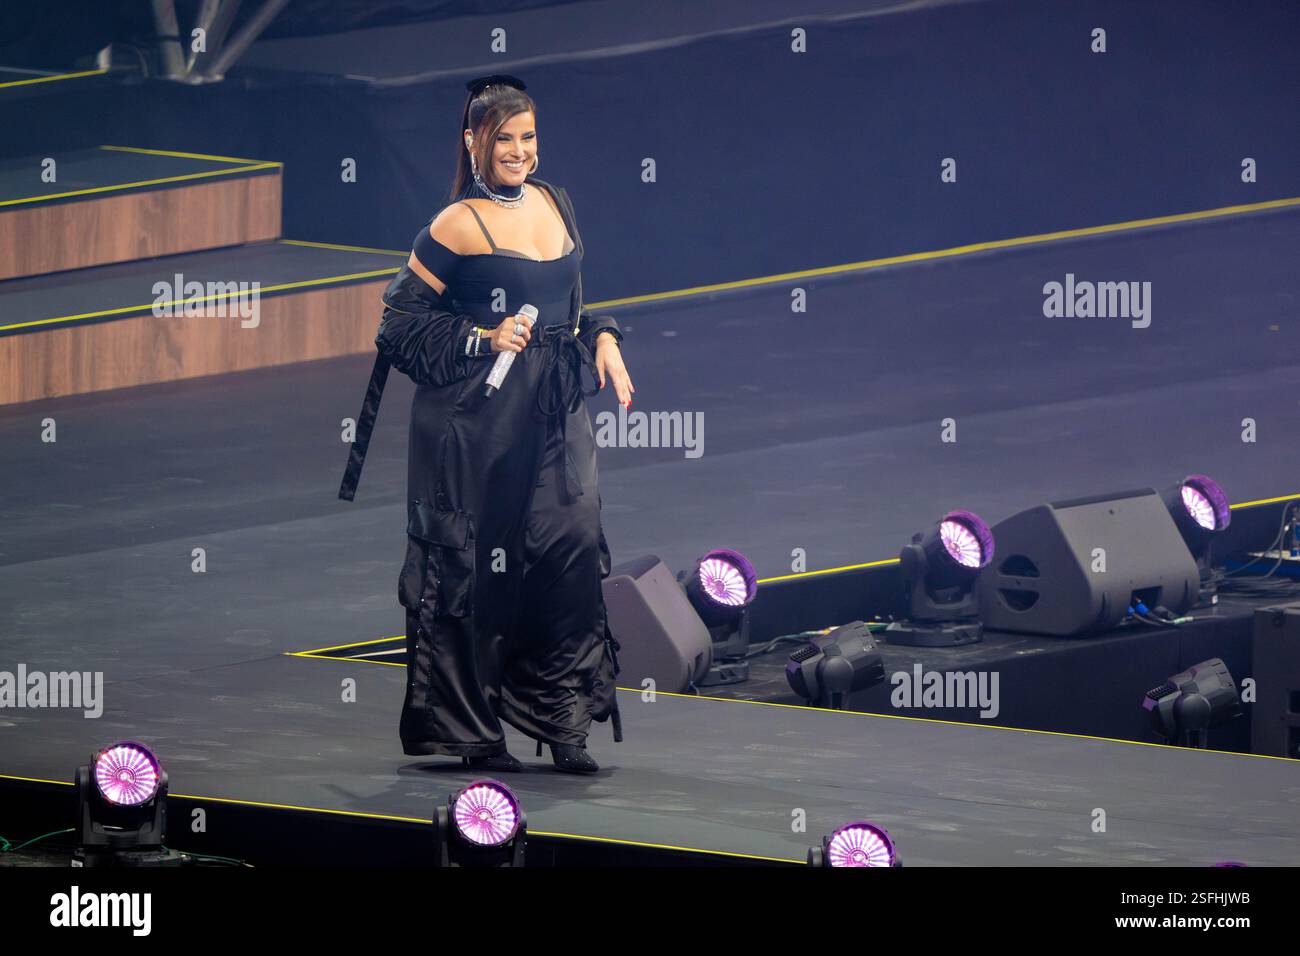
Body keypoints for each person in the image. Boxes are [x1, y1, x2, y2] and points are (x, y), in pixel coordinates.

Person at [370, 74, 632, 774]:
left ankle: (564, 715)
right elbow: (396, 329)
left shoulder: (557, 203)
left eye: (528, 137)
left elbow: (572, 304)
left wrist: (604, 338)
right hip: (475, 418)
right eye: (504, 139)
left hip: (553, 404)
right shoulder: (455, 224)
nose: (519, 151)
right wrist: (481, 337)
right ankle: (473, 728)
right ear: (474, 142)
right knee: (474, 566)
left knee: (570, 544)